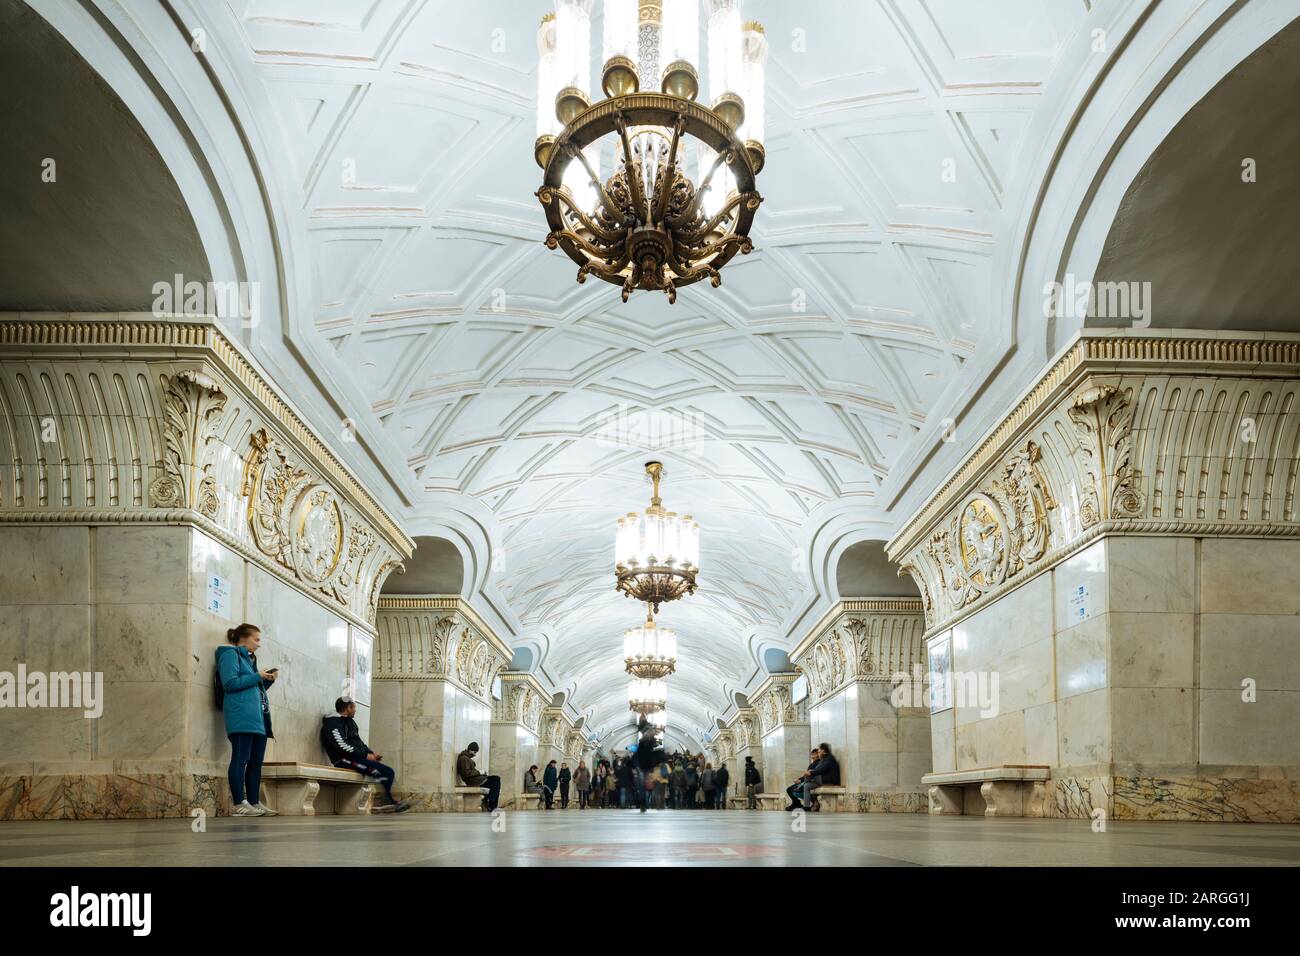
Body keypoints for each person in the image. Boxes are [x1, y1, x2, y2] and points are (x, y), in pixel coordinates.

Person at [215, 623, 277, 817]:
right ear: (244, 637)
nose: (258, 644)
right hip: (241, 716)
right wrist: (256, 676)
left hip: (258, 719)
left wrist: (266, 680)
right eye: (256, 639)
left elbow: (251, 688)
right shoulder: (230, 655)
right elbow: (230, 683)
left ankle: (254, 801)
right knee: (240, 759)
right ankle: (238, 803)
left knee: (256, 763)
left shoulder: (250, 660)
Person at [321, 697, 409, 812]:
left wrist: (370, 753)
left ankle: (387, 801)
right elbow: (342, 746)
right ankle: (384, 801)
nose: (355, 710)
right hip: (343, 760)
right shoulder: (332, 724)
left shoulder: (349, 722)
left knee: (388, 772)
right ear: (348, 708)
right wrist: (366, 756)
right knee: (379, 772)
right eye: (354, 707)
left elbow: (358, 742)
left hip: (354, 758)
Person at [456, 742, 500, 811]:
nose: (475, 754)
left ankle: (490, 802)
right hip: (474, 781)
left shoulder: (466, 758)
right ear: (470, 750)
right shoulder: (463, 758)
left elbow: (470, 771)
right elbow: (466, 773)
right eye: (474, 752)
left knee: (496, 780)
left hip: (477, 779)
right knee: (495, 781)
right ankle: (490, 802)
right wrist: (479, 772)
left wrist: (482, 773)